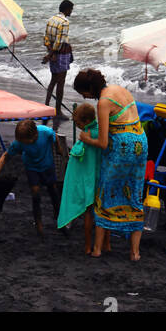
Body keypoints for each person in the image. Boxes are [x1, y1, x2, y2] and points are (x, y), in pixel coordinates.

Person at [73, 68, 147, 262]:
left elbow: (104, 143)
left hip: (122, 147)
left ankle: (97, 249)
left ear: (90, 89)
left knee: (105, 193)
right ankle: (135, 253)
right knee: (134, 192)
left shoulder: (103, 102)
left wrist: (86, 139)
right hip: (141, 143)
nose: (85, 97)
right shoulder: (119, 89)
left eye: (84, 93)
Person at [57, 103, 110, 255]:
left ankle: (88, 247)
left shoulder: (87, 135)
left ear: (86, 121)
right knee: (104, 213)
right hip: (101, 178)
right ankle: (107, 244)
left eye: (78, 123)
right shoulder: (101, 132)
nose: (78, 126)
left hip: (90, 180)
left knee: (88, 213)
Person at [0, 119, 59, 236]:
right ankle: (38, 224)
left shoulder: (45, 132)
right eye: (22, 142)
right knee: (35, 194)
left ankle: (58, 216)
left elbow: (55, 138)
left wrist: (60, 150)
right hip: (31, 167)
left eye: (27, 142)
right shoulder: (19, 142)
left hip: (48, 165)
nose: (24, 144)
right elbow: (6, 156)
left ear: (35, 135)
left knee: (53, 190)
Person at [43, 0, 74, 119]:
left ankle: (46, 106)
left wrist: (50, 52)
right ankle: (58, 111)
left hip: (53, 52)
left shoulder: (51, 19)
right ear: (66, 9)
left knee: (53, 80)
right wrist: (53, 53)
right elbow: (60, 41)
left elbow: (46, 37)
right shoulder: (65, 22)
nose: (71, 11)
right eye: (71, 9)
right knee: (61, 82)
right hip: (61, 53)